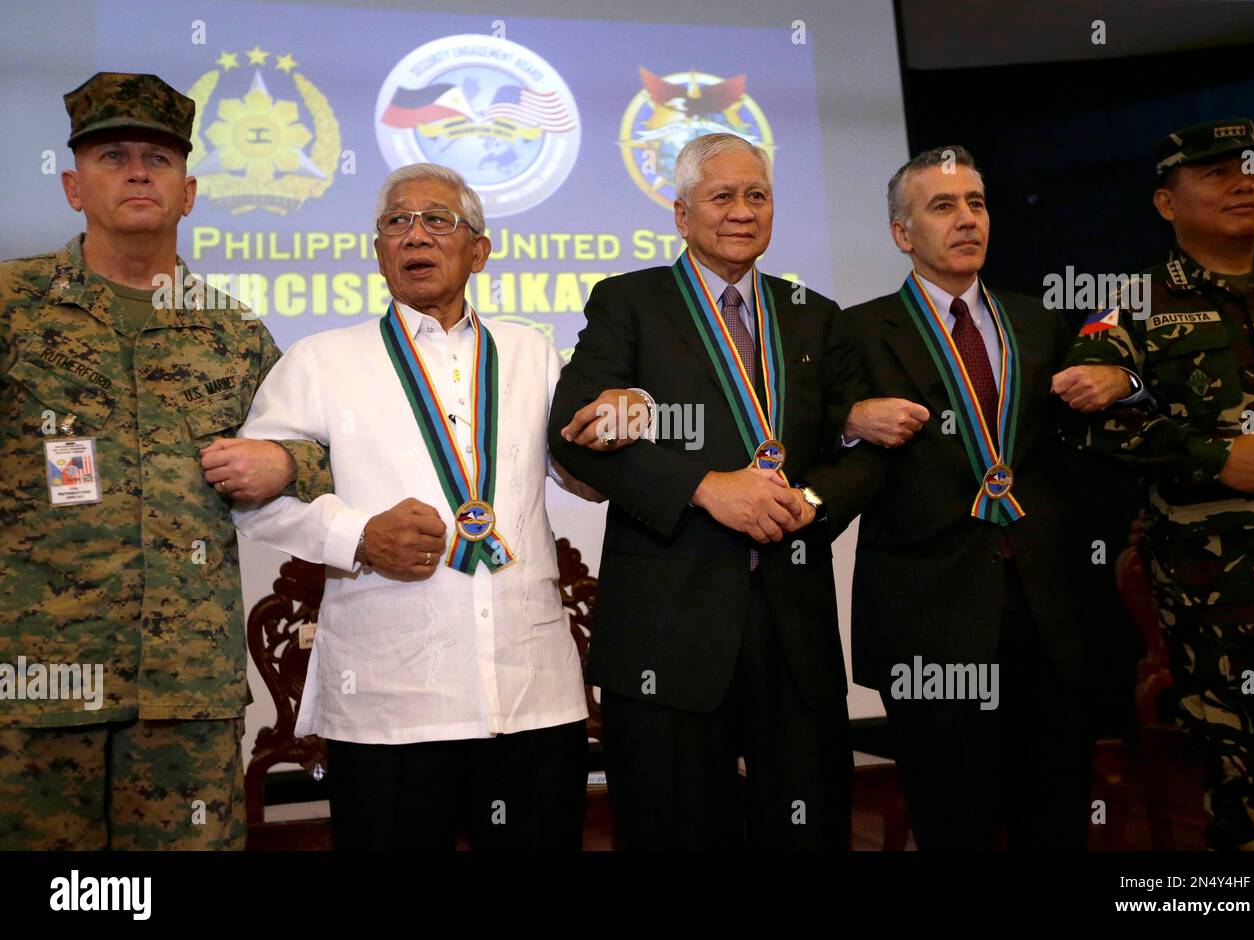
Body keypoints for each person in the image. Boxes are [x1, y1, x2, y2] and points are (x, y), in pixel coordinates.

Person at [0, 72, 329, 850]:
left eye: (159, 158)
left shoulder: (232, 332)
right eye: (113, 155)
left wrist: (285, 464)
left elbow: (322, 450)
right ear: (75, 186)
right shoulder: (13, 308)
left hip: (186, 693)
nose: (139, 171)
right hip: (39, 687)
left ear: (188, 192)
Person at [233, 163, 598, 851]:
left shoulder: (533, 353)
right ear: (378, 251)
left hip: (533, 696)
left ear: (479, 251)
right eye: (396, 222)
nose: (414, 235)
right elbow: (253, 500)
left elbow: (579, 472)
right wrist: (358, 535)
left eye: (438, 220)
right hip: (392, 705)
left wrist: (622, 427)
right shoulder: (321, 361)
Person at [549, 132, 881, 849]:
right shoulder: (629, 303)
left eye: (756, 195)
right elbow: (569, 432)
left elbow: (859, 448)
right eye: (721, 196)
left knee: (809, 827)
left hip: (795, 626)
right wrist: (704, 487)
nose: (741, 211)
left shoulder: (813, 313)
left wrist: (814, 502)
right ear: (681, 214)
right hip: (668, 629)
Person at [841, 145, 1098, 849]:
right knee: (953, 819)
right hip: (928, 615)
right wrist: (849, 419)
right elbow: (803, 429)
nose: (966, 220)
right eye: (943, 206)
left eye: (976, 204)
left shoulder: (1039, 320)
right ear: (903, 234)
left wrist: (1124, 385)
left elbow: (1088, 431)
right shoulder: (856, 330)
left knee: (1056, 813)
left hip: (1047, 609)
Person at [1057, 118, 1254, 850]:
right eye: (1218, 172)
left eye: (1253, 168)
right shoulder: (1133, 306)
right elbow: (1082, 423)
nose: (1244, 182)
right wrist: (1210, 457)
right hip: (1224, 599)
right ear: (1167, 203)